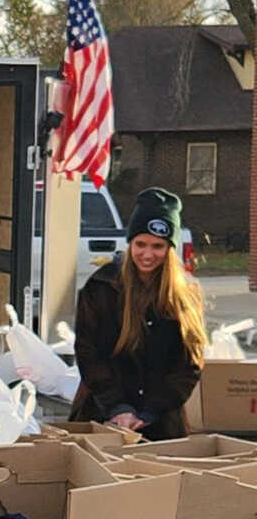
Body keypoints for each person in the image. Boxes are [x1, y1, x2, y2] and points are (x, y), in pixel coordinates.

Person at [71, 187, 207, 439]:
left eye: (157, 246)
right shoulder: (100, 286)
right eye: (140, 244)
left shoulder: (187, 293)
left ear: (170, 248)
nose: (147, 254)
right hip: (102, 412)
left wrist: (152, 410)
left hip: (162, 421)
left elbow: (190, 363)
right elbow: (87, 352)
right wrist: (118, 407)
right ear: (130, 242)